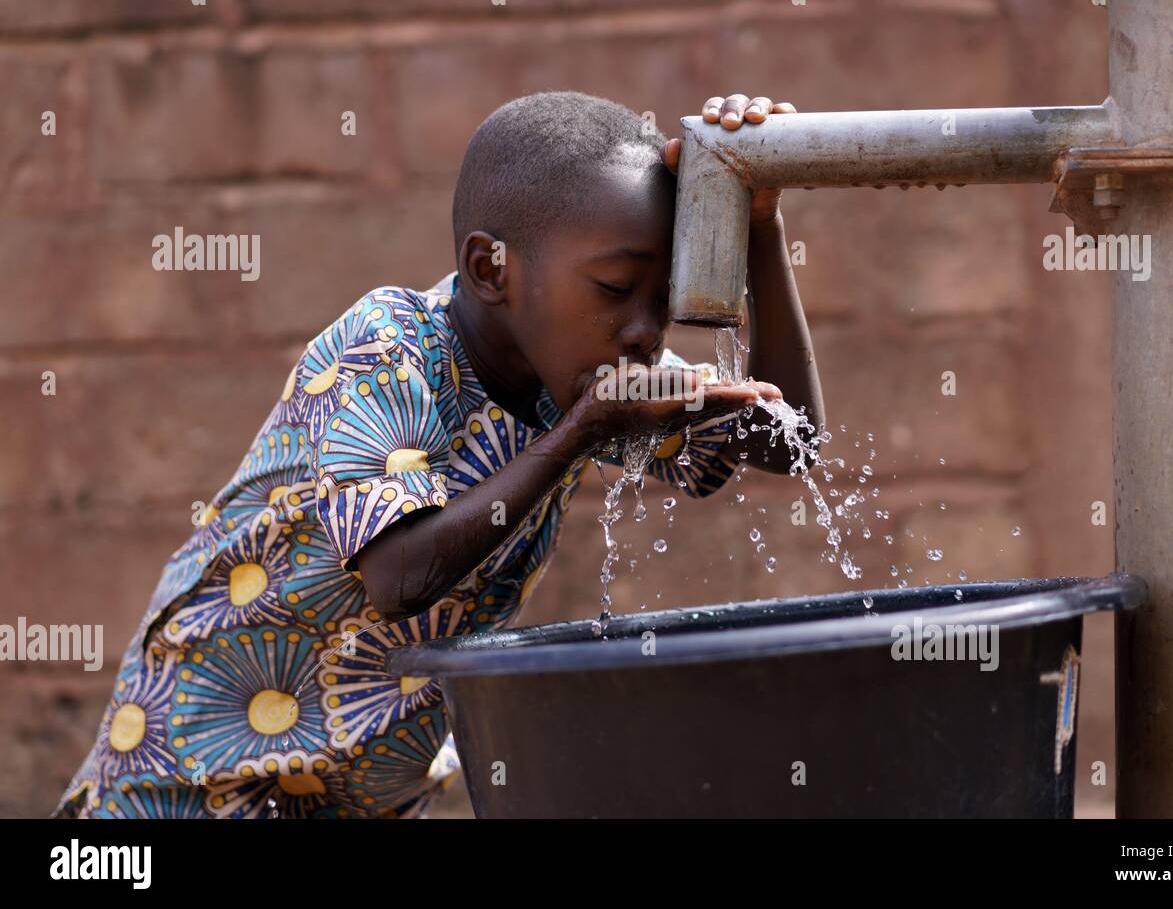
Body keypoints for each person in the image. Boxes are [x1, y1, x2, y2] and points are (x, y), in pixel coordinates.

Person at [52, 90, 824, 818]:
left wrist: (759, 224)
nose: (643, 332)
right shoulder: (389, 347)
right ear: (492, 270)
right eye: (615, 287)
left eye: (661, 301)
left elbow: (792, 440)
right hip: (189, 771)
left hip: (358, 796)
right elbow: (398, 576)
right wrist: (581, 432)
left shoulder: (578, 381)